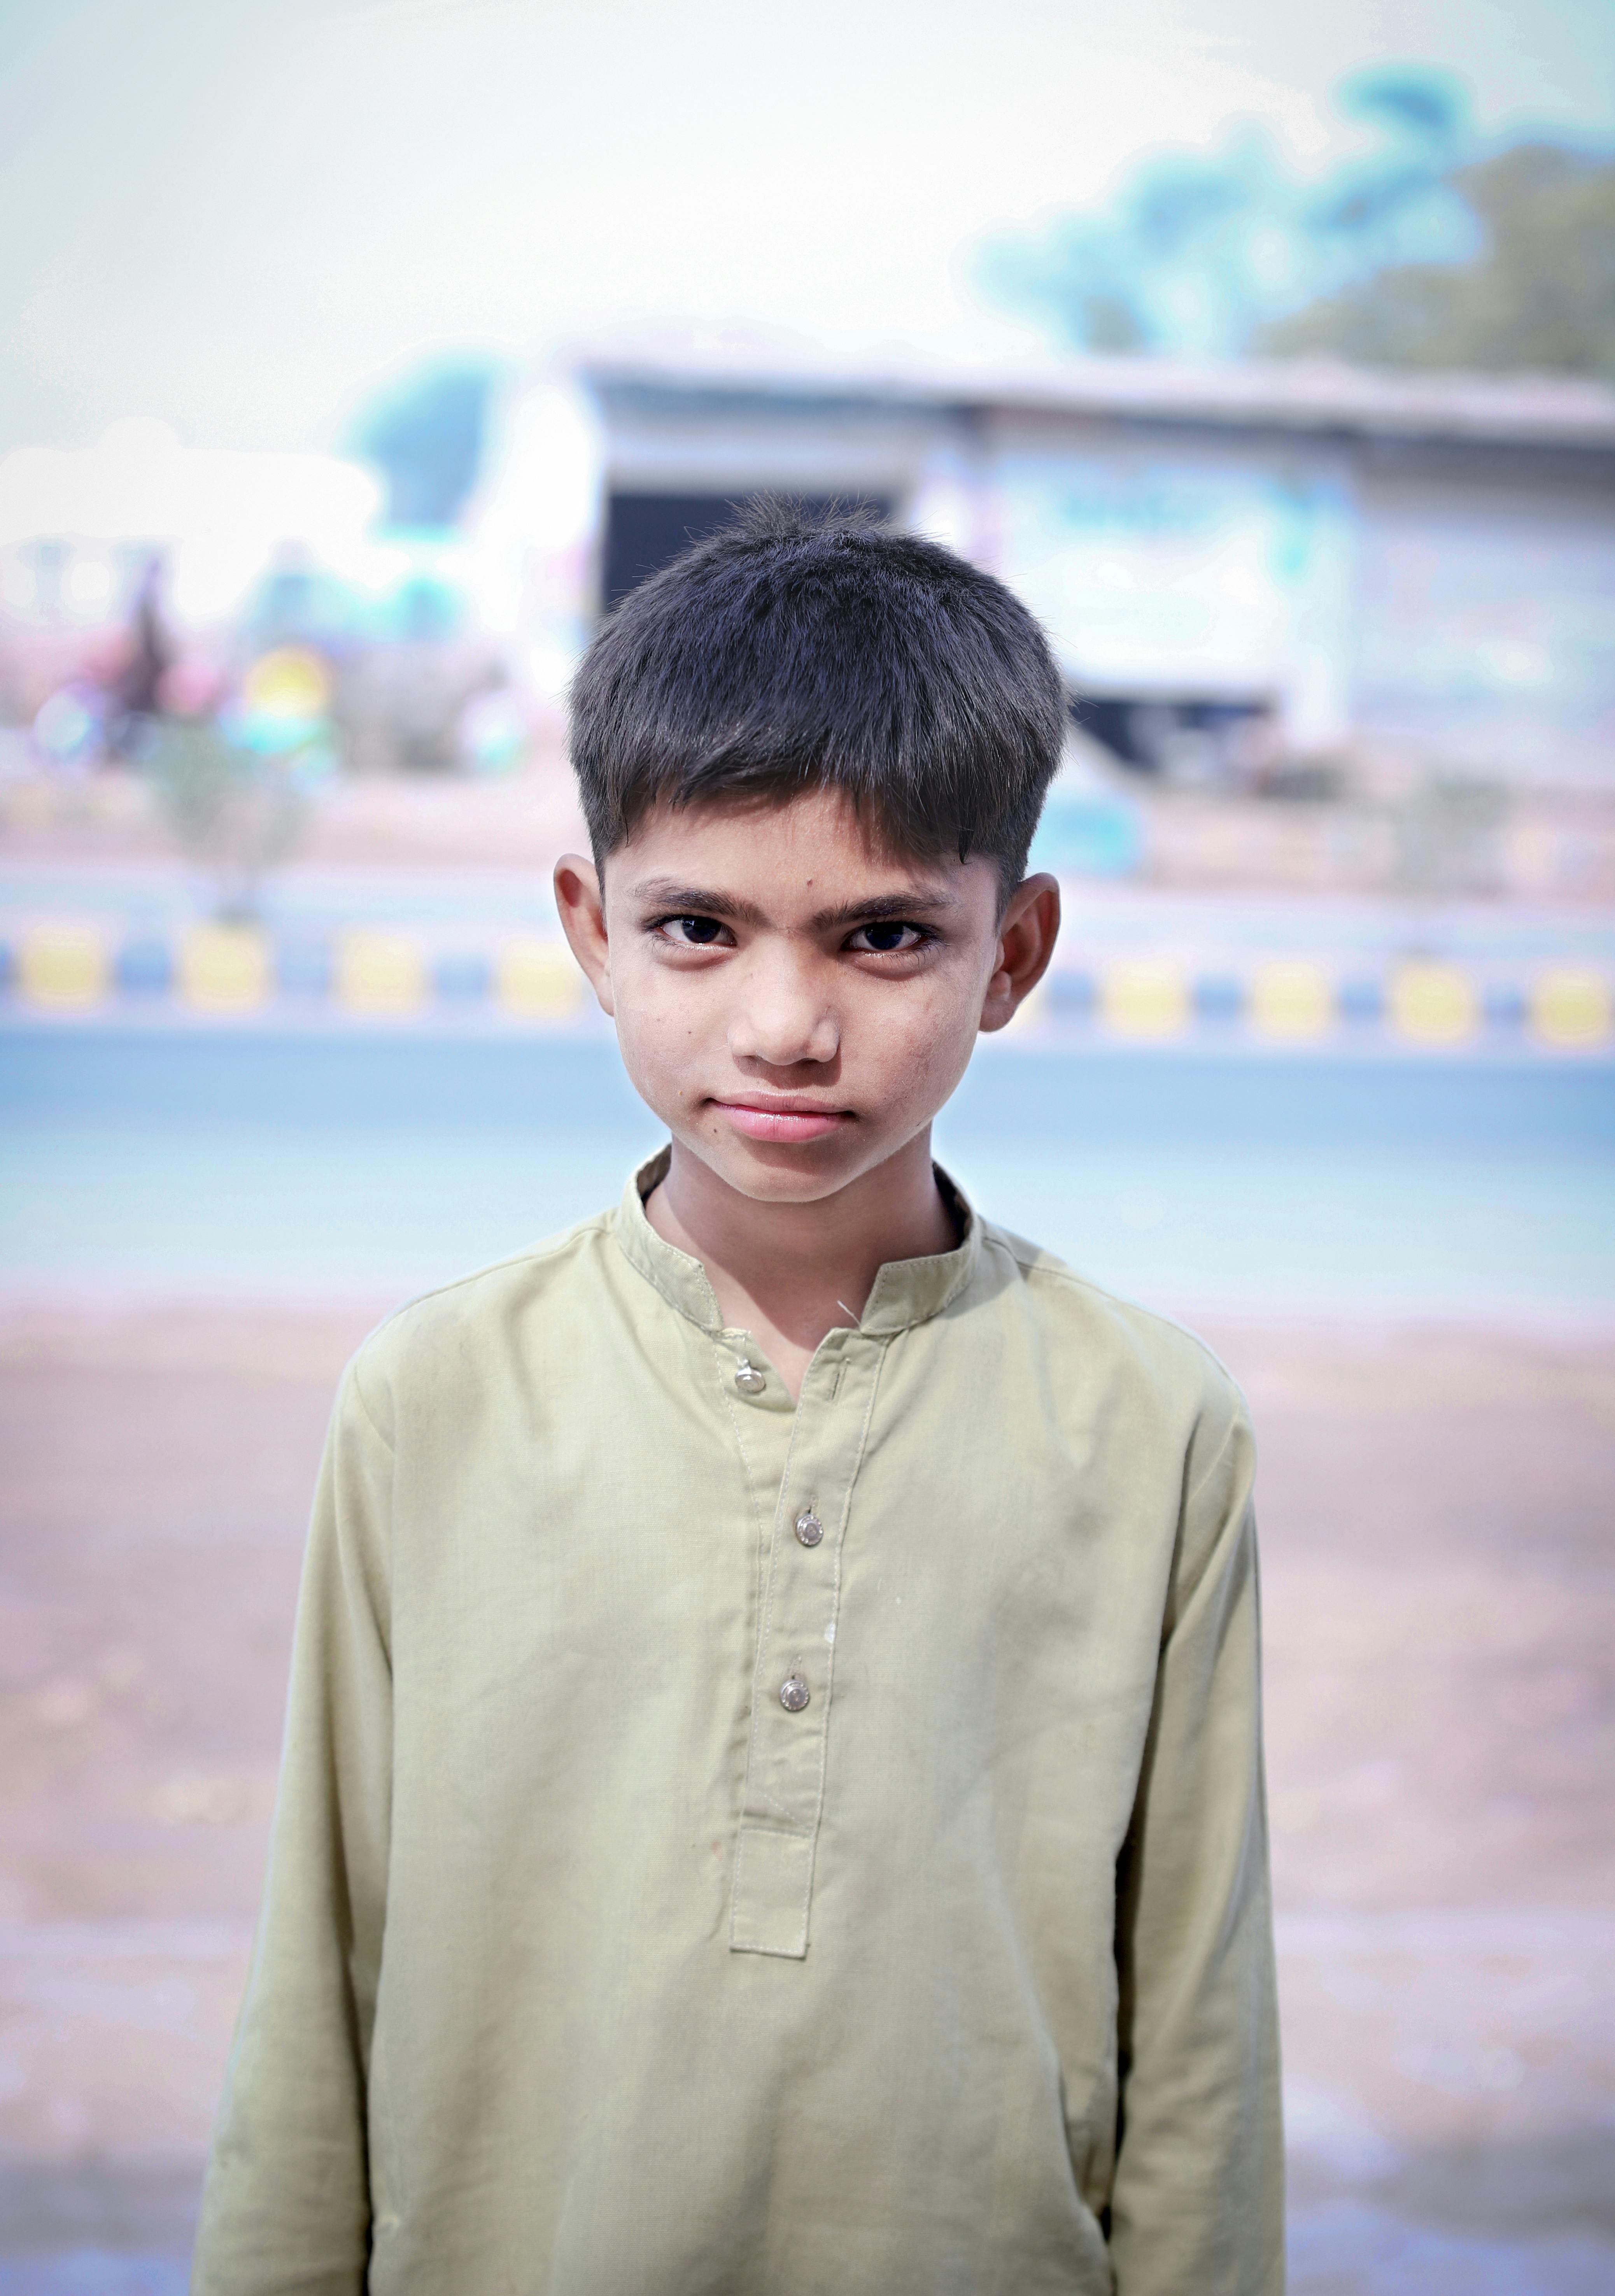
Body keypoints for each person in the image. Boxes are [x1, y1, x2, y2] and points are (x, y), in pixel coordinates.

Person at [192, 504, 1283, 2295]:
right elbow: (320, 1971)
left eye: (883, 939)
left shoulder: (1154, 1425)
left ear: (1011, 955)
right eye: (698, 928)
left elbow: (1200, 2021)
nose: (785, 1023)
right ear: (592, 928)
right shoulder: (436, 1397)